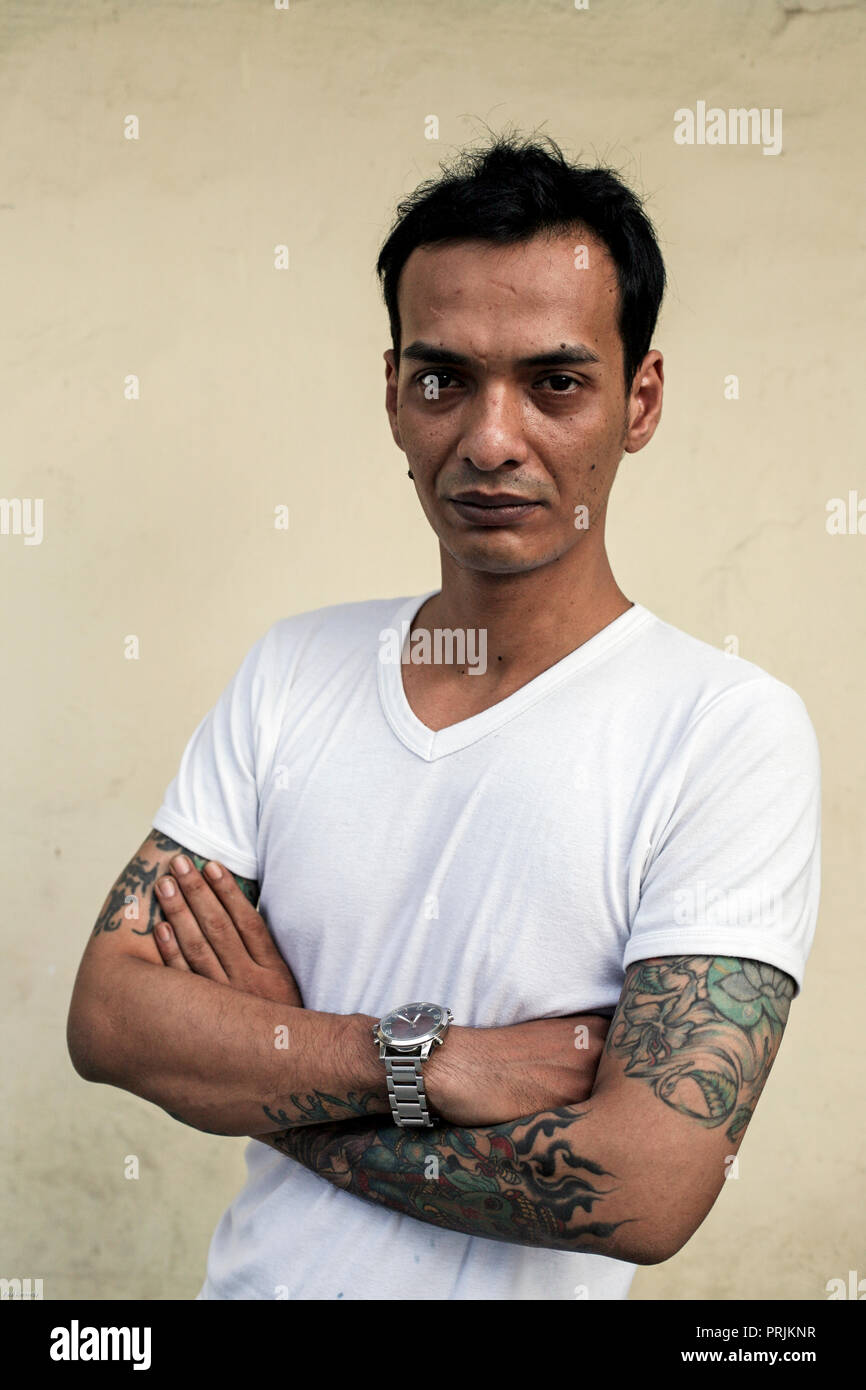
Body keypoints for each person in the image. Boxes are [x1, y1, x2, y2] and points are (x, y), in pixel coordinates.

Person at [67, 132, 821, 1301]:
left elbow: (645, 1186)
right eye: (443, 378)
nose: (489, 438)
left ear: (642, 399)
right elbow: (114, 1017)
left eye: (554, 382)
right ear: (392, 394)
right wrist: (429, 1062)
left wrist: (271, 1070)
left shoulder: (723, 731)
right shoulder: (294, 670)